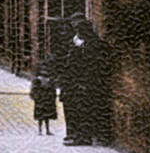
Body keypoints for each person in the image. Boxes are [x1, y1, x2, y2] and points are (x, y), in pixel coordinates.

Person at [61, 15, 109, 145]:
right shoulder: (75, 42)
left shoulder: (93, 44)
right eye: (76, 29)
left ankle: (84, 137)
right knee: (72, 107)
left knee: (84, 110)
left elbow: (93, 65)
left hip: (87, 83)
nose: (77, 32)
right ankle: (74, 133)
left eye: (79, 30)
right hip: (74, 82)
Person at [30, 63, 57, 135]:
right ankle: (41, 130)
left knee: (44, 116)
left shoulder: (45, 80)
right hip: (43, 99)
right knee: (43, 116)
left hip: (43, 100)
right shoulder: (39, 80)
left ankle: (44, 130)